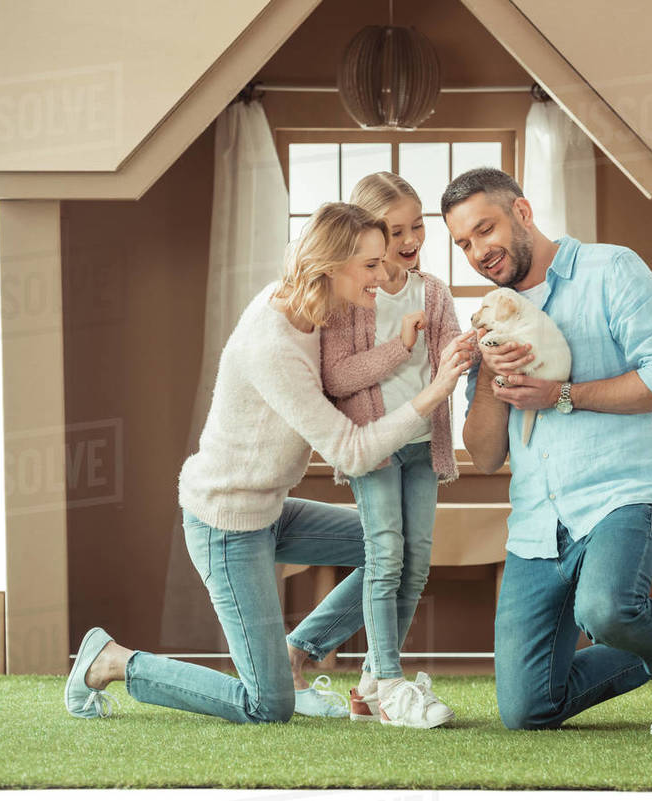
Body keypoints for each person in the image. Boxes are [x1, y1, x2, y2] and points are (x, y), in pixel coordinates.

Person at [64, 201, 475, 724]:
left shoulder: (310, 309)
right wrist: (435, 391)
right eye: (370, 265)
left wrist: (401, 347)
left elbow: (343, 377)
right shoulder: (274, 344)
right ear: (330, 265)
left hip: (272, 511)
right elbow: (349, 450)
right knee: (267, 705)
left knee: (392, 548)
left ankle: (295, 651)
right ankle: (113, 660)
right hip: (227, 525)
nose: (383, 273)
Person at [441, 167, 652, 734]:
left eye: (485, 229)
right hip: (538, 520)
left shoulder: (610, 269)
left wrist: (561, 394)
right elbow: (485, 455)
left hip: (622, 493)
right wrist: (488, 372)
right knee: (527, 710)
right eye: (463, 243)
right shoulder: (492, 317)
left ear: (522, 212)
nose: (477, 252)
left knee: (606, 610)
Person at [306, 172, 460, 728]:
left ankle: (372, 685)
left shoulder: (433, 292)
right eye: (397, 231)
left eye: (418, 225)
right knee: (386, 555)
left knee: (415, 564)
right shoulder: (350, 299)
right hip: (374, 447)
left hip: (423, 445)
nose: (412, 239)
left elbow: (449, 361)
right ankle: (391, 681)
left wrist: (471, 349)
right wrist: (400, 347)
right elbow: (337, 377)